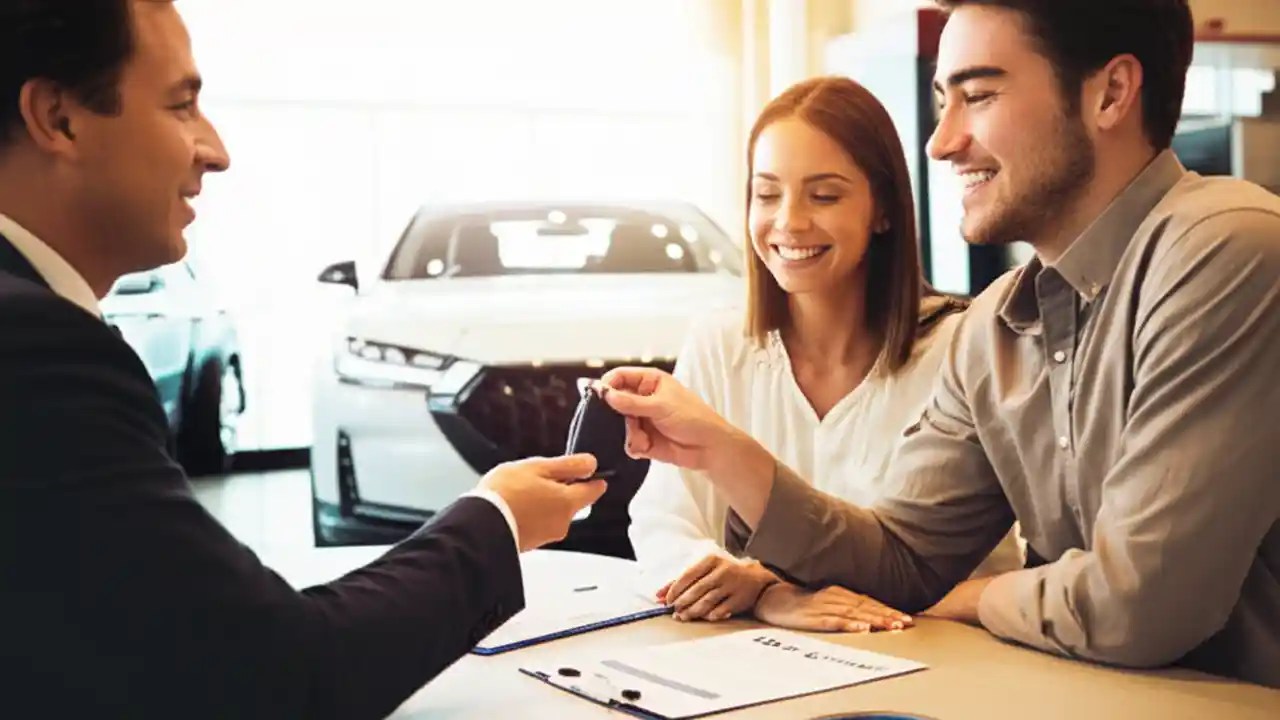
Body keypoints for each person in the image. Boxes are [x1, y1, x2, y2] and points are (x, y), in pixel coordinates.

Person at [599, 0, 1280, 688]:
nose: (941, 141)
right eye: (942, 101)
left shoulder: (1225, 247)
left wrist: (977, 599)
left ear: (1110, 93)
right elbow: (899, 559)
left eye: (978, 96)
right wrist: (724, 452)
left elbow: (1141, 605)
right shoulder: (997, 325)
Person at [0, 2, 606, 717]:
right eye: (182, 105)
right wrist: (499, 516)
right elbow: (274, 673)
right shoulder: (37, 350)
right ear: (58, 118)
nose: (216, 149)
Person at [627, 76, 1022, 631]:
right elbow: (663, 524)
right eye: (767, 194)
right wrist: (761, 593)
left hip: (942, 653)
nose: (789, 222)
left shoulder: (960, 347)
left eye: (825, 195)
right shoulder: (721, 344)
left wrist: (774, 583)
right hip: (768, 663)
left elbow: (950, 570)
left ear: (881, 208)